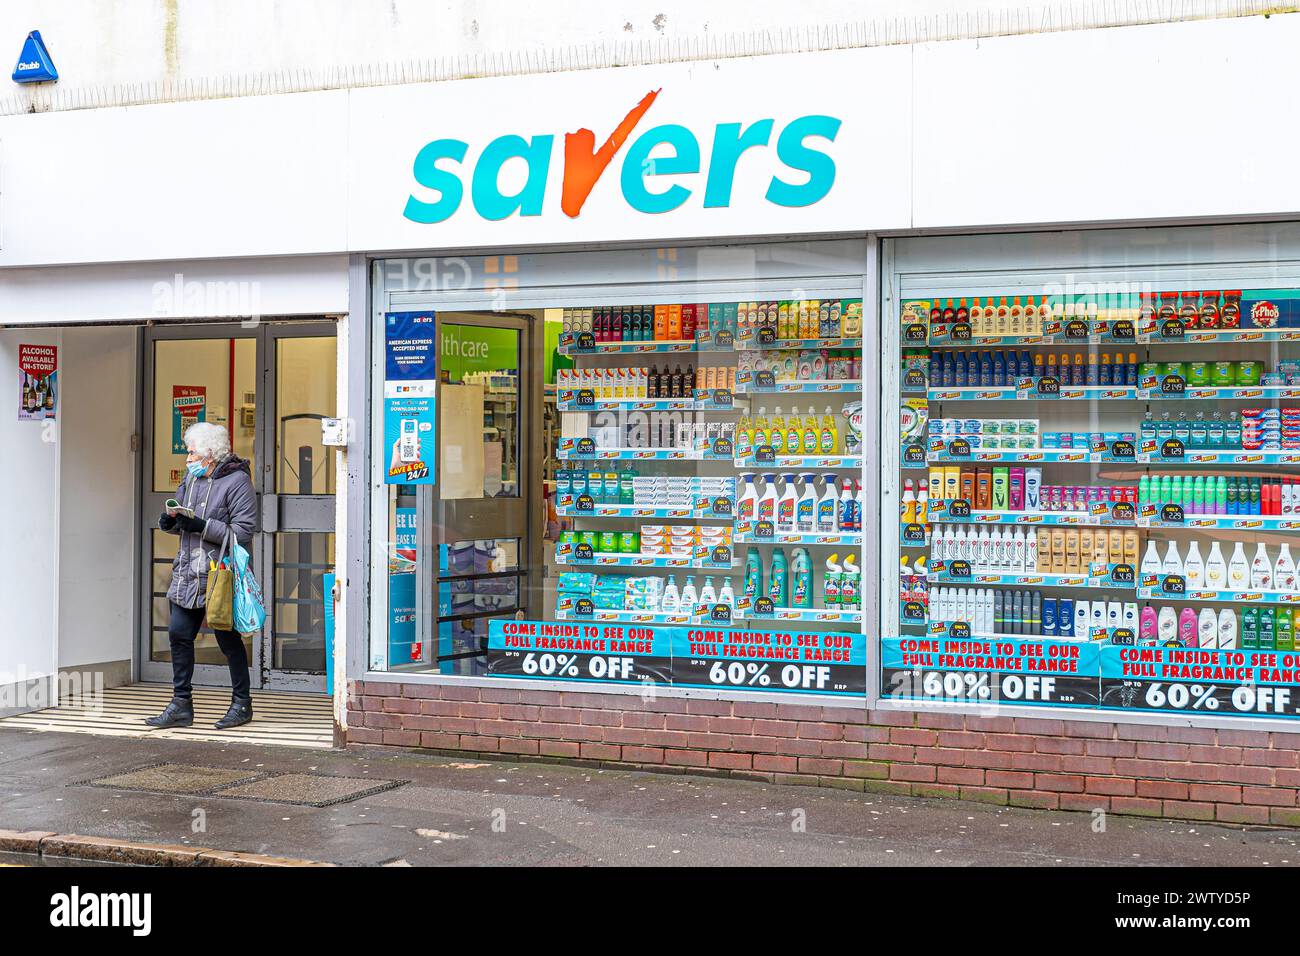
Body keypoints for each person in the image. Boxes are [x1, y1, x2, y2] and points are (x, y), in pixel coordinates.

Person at [146, 421, 258, 730]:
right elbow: (183, 513)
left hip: (218, 574)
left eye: (192, 452)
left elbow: (244, 532)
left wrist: (202, 526)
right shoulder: (191, 479)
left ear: (210, 454)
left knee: (227, 639)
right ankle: (181, 705)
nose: (187, 458)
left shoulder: (237, 482)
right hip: (187, 572)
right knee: (179, 635)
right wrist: (171, 522)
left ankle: (242, 704)